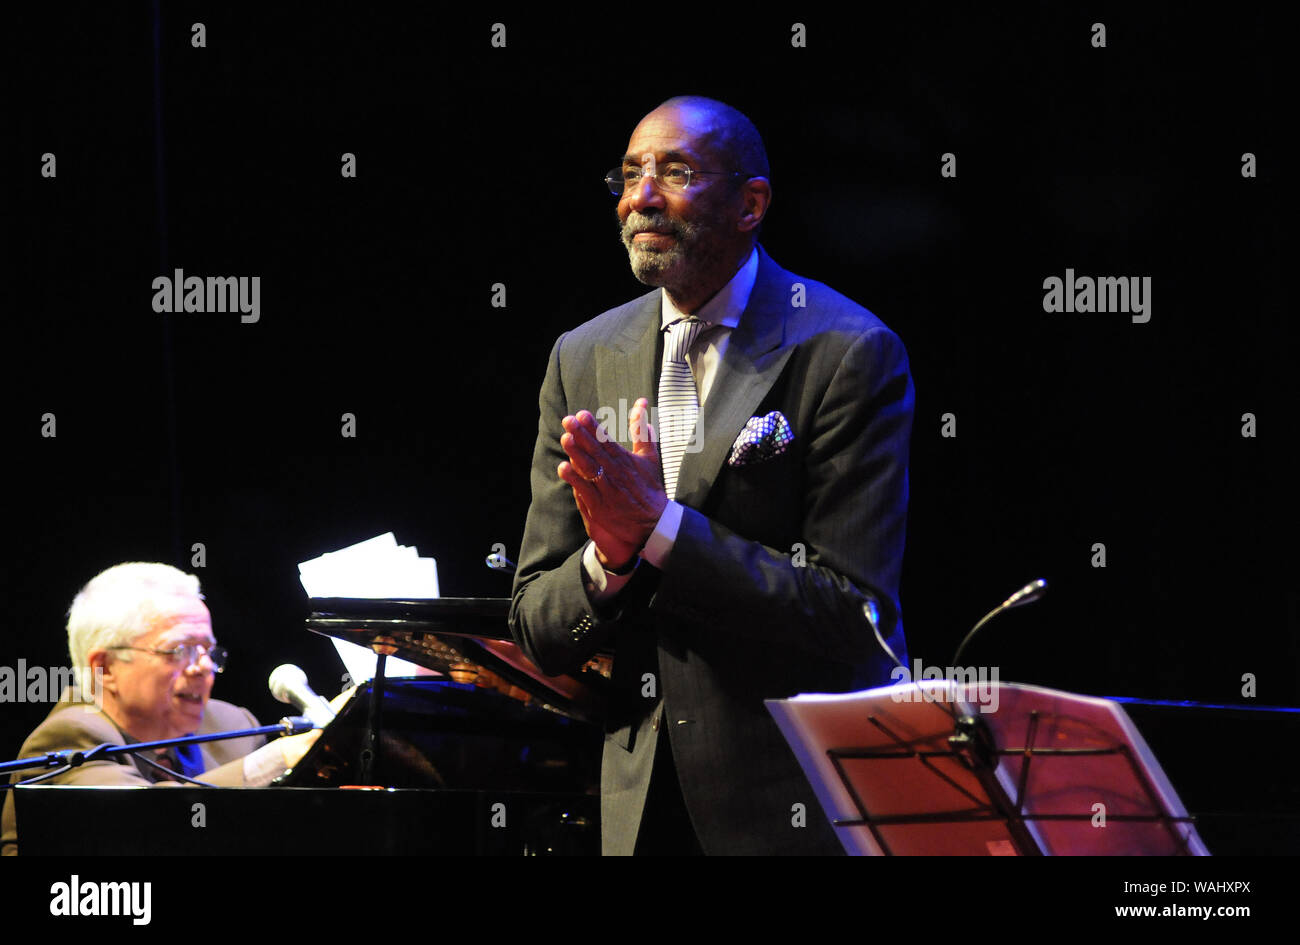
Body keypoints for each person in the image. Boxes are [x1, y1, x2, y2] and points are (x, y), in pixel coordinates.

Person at [509, 96, 914, 854]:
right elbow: (535, 618)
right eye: (629, 175)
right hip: (635, 813)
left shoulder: (846, 351)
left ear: (750, 203)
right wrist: (611, 557)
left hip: (789, 809)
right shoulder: (581, 355)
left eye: (676, 172)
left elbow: (856, 618)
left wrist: (660, 531)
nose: (640, 197)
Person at [1, 562, 318, 855]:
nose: (203, 667)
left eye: (207, 650)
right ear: (105, 669)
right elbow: (153, 827)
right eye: (179, 650)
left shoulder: (232, 727)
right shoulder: (68, 737)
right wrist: (279, 758)